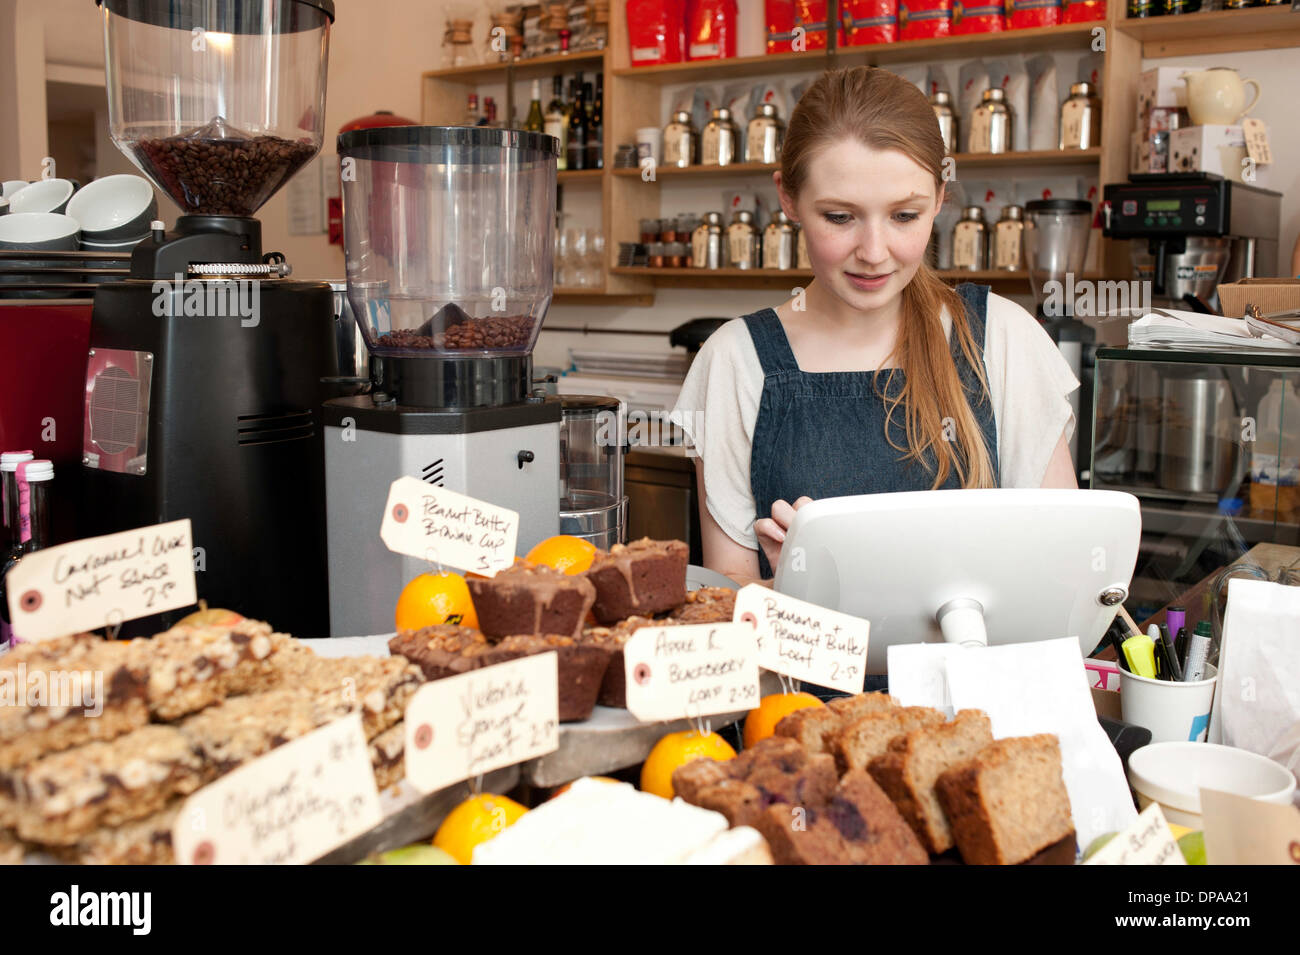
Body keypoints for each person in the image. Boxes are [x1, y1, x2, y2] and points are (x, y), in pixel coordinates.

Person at [671, 68, 1080, 691]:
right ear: (788, 198)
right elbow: (729, 598)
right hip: (800, 723)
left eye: (905, 215)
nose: (874, 250)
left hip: (978, 716)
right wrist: (792, 592)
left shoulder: (1002, 338)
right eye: (839, 217)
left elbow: (1062, 580)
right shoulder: (735, 360)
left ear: (940, 199)